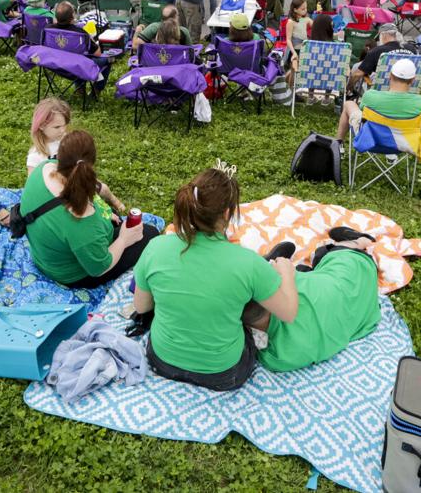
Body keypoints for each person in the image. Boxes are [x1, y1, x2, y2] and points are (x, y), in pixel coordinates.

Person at [132, 166, 298, 391]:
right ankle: (271, 266)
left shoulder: (156, 247)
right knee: (253, 307)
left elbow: (141, 307)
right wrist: (286, 272)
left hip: (163, 361)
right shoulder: (247, 263)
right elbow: (288, 313)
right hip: (223, 373)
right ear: (228, 214)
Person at [10, 131, 155, 289]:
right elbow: (99, 268)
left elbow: (81, 199)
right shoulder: (83, 218)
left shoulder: (42, 168)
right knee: (149, 233)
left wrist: (103, 213)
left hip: (44, 255)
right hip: (71, 274)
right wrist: (123, 240)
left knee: (115, 216)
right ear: (90, 164)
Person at [247, 231, 380, 372]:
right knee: (321, 253)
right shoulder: (293, 282)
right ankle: (360, 241)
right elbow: (291, 278)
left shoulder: (276, 359)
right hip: (358, 266)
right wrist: (283, 272)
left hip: (358, 302)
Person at [336, 57, 421, 142]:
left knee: (349, 104)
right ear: (413, 79)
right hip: (404, 143)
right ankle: (392, 153)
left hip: (372, 139)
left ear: (390, 75)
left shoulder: (370, 96)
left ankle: (339, 143)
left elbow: (363, 117)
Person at [350, 23, 403, 88]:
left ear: (384, 35)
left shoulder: (377, 51)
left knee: (357, 67)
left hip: (382, 92)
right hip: (406, 91)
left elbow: (357, 74)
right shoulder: (410, 49)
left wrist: (348, 89)